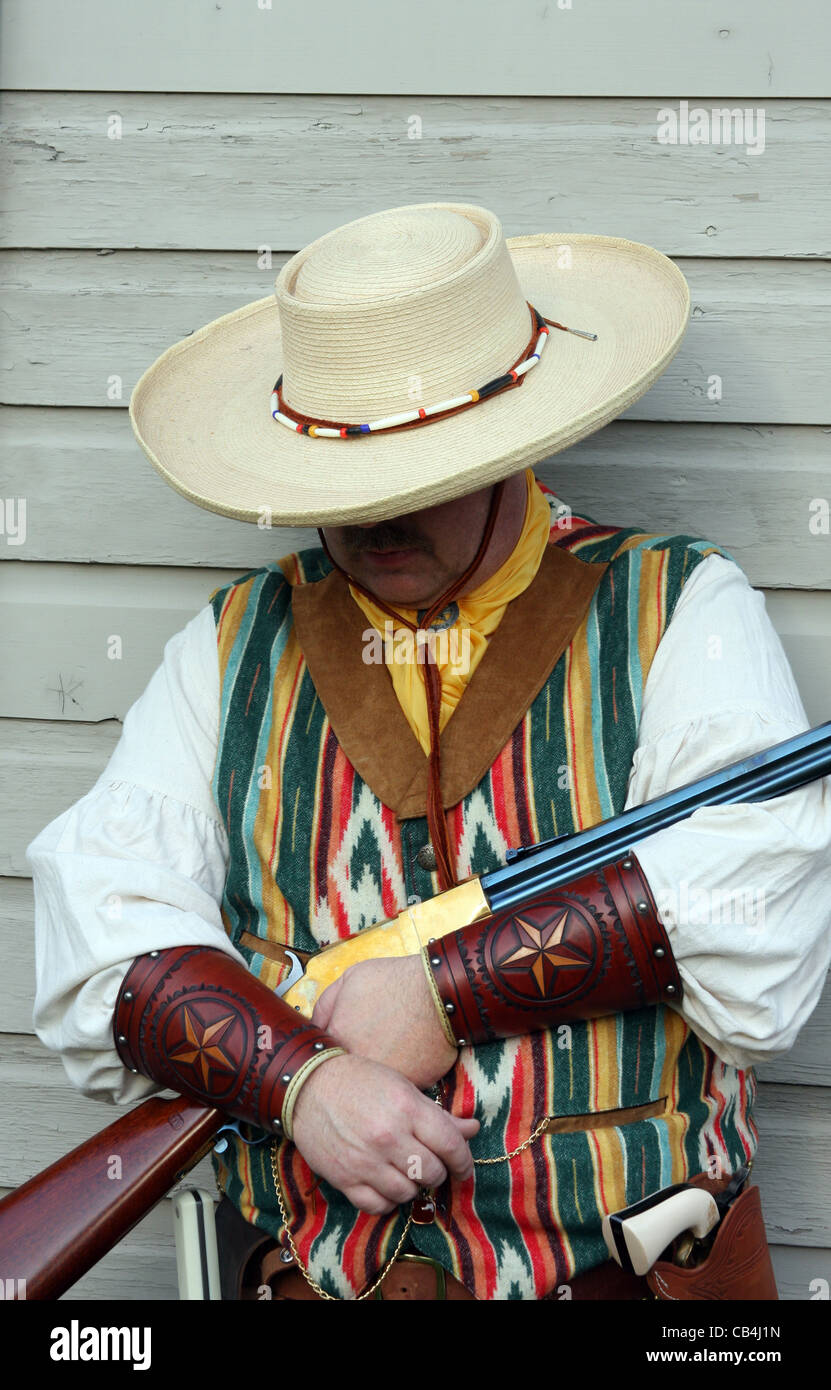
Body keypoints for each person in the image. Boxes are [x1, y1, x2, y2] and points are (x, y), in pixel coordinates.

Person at [26, 202, 831, 1301]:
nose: (378, 522)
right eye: (351, 490)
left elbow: (762, 949)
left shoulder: (677, 608)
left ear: (509, 449)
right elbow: (102, 942)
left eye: (421, 480)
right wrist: (303, 1083)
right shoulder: (229, 651)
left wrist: (444, 992)